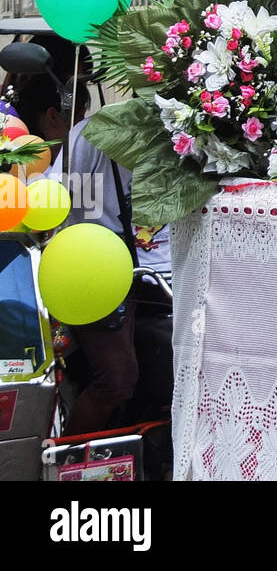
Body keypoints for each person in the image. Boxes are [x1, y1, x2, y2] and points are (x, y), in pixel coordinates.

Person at [56, 105, 172, 439]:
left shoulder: (195, 127)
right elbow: (63, 200)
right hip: (102, 269)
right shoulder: (94, 134)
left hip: (171, 274)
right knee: (116, 380)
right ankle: (67, 459)